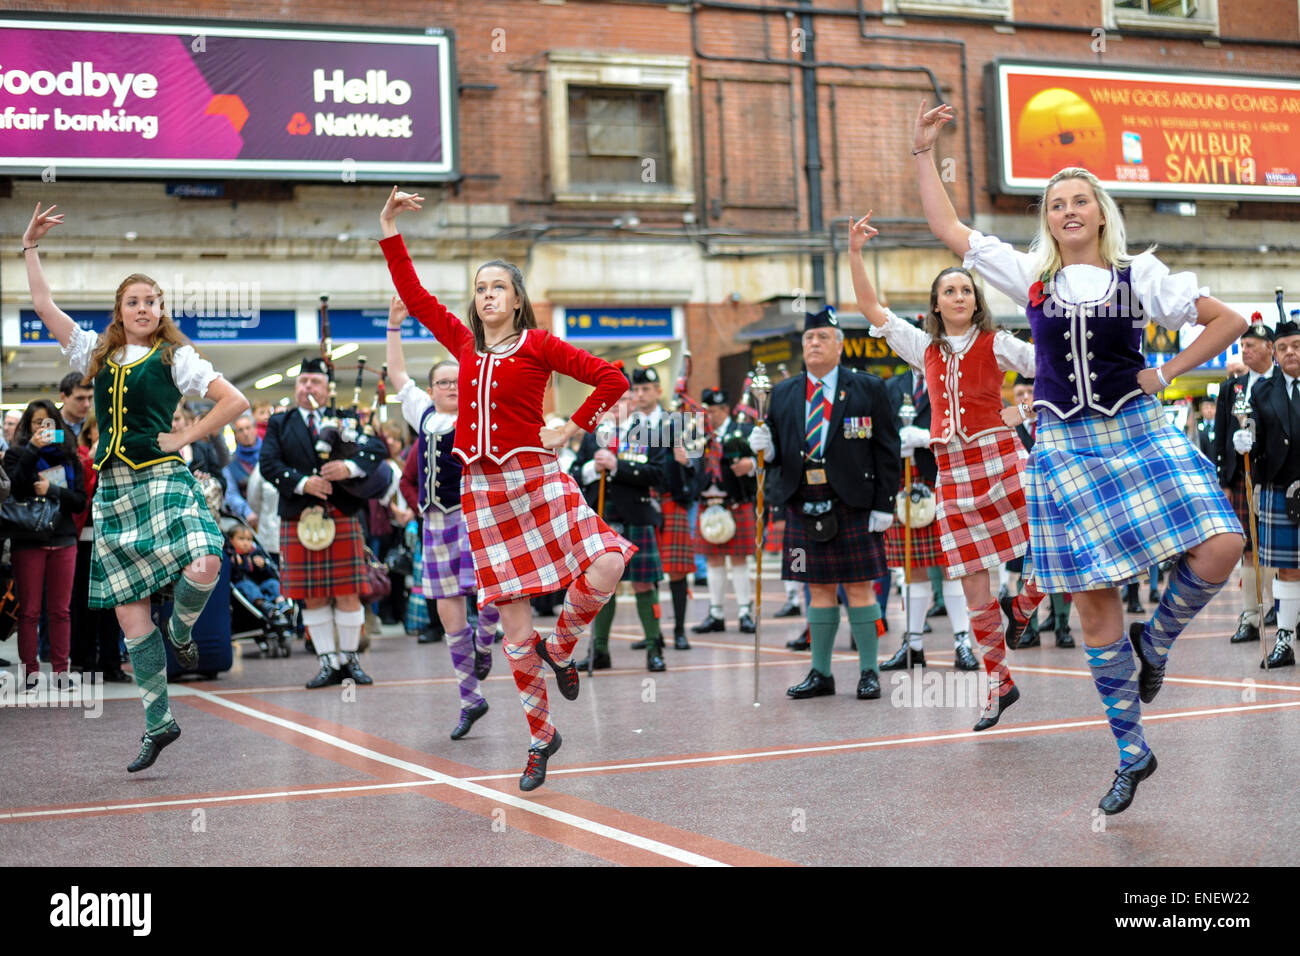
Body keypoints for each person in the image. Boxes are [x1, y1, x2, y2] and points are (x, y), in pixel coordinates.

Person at [914, 103, 1246, 813]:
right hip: (1063, 444)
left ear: (1100, 212)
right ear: (1049, 218)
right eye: (1056, 203)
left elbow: (1231, 322)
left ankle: (1155, 641)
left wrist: (1167, 372)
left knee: (1223, 545)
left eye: (1079, 200)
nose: (1068, 210)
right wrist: (924, 153)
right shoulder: (1027, 275)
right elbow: (947, 228)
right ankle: (1131, 750)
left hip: (1137, 427)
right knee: (1093, 599)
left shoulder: (1141, 274)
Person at [379, 187, 634, 792]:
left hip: (538, 478)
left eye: (497, 286)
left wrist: (573, 424)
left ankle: (565, 647)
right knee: (514, 625)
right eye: (480, 287)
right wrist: (387, 224)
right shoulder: (463, 345)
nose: (486, 294)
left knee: (605, 563)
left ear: (517, 300)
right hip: (484, 491)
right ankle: (541, 738)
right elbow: (414, 297)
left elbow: (612, 378)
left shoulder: (540, 345)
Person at [23, 201, 248, 772]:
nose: (144, 308)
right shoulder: (96, 353)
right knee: (129, 615)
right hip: (116, 490)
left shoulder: (177, 357)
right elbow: (44, 306)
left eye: (152, 301)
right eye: (134, 301)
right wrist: (30, 247)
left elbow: (235, 401)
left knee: (205, 562)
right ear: (120, 311)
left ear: (160, 310)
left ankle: (182, 627)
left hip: (164, 478)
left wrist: (186, 436)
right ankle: (158, 722)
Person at [846, 220, 1038, 727]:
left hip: (998, 455)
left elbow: (1055, 372)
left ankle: (1025, 604)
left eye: (966, 290)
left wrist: (1020, 414)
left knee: (1048, 537)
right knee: (973, 582)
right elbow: (871, 310)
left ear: (977, 301)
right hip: (951, 468)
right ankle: (998, 681)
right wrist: (854, 251)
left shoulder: (999, 343)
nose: (958, 296)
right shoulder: (922, 349)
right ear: (936, 303)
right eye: (949, 290)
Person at [748, 307, 899, 702]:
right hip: (803, 501)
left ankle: (869, 671)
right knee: (816, 588)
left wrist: (885, 504)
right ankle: (821, 672)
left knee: (860, 587)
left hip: (855, 502)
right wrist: (764, 450)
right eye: (808, 338)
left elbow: (887, 450)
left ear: (840, 344)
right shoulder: (783, 393)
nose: (814, 343)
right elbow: (778, 454)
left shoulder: (867, 388)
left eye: (822, 337)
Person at [387, 297, 502, 739]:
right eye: (442, 382)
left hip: (474, 518)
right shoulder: (423, 415)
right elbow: (398, 376)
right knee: (449, 612)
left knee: (490, 594)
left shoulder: (478, 413)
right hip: (434, 524)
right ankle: (470, 698)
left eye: (457, 380)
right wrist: (394, 326)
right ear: (432, 388)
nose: (451, 387)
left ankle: (486, 642)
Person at [260, 358, 388, 689]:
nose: (307, 387)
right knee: (312, 595)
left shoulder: (345, 417)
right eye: (303, 381)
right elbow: (269, 464)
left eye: (314, 381)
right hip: (299, 517)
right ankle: (327, 662)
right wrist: (304, 483)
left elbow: (376, 449)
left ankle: (349, 660)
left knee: (348, 593)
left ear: (326, 387)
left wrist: (348, 465)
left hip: (341, 514)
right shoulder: (281, 422)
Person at [879, 354, 979, 672]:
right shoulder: (890, 387)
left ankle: (963, 642)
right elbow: (879, 430)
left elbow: (968, 425)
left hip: (945, 479)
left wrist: (928, 438)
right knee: (913, 569)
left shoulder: (952, 380)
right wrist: (895, 443)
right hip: (904, 484)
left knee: (952, 566)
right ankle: (914, 645)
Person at [571, 381, 670, 672]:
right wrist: (593, 468)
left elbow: (659, 475)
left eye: (623, 399)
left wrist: (617, 466)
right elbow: (574, 473)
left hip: (637, 516)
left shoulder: (649, 434)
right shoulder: (593, 435)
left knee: (643, 584)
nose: (617, 404)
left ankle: (654, 648)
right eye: (611, 399)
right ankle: (600, 651)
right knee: (603, 586)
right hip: (602, 518)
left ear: (632, 402)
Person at [4, 401, 88, 691]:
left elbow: (79, 501)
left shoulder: (69, 455)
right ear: (28, 426)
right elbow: (12, 488)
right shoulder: (17, 454)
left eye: (48, 422)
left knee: (60, 611)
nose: (43, 428)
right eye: (37, 423)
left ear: (57, 425)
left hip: (63, 538)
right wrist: (32, 450)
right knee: (28, 611)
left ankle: (62, 671)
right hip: (28, 540)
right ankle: (30, 672)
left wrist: (52, 490)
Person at [1232, 319, 1300, 669]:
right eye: (1285, 347)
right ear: (1276, 352)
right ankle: (1285, 641)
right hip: (1279, 488)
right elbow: (1255, 430)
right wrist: (1247, 442)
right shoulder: (1262, 391)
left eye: (1297, 347)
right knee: (1288, 569)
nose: (1291, 353)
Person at [1215, 314, 1276, 645]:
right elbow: (1222, 438)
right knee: (1248, 547)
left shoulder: (1284, 382)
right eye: (1242, 346)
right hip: (1243, 478)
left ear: (1269, 347)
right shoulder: (1232, 388)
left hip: (1277, 477)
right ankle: (1251, 616)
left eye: (1250, 345)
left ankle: (1281, 609)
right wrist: (1223, 479)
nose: (1245, 351)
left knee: (1282, 550)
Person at [1002, 375, 1075, 650]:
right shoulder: (1009, 426)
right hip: (1022, 506)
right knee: (1026, 569)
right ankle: (1028, 629)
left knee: (1059, 565)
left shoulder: (1053, 422)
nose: (1023, 398)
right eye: (1019, 392)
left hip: (1055, 502)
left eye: (1029, 392)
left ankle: (1062, 626)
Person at [628, 367, 698, 651]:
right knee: (647, 573)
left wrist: (688, 462)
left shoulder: (677, 424)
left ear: (658, 391)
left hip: (671, 500)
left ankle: (680, 631)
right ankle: (653, 633)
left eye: (647, 389)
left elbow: (699, 467)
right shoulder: (627, 427)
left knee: (678, 570)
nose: (641, 394)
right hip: (642, 504)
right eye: (637, 389)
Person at [691, 388, 759, 635]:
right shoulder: (698, 435)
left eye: (713, 411)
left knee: (740, 560)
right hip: (708, 503)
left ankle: (744, 613)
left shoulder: (744, 431)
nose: (708, 416)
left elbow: (764, 459)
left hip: (736, 503)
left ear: (725, 410)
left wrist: (750, 465)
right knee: (713, 560)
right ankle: (716, 613)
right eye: (706, 411)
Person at [58, 372, 94, 440]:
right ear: (63, 397)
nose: (87, 404)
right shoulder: (50, 425)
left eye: (90, 398)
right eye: (80, 398)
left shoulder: (97, 425)